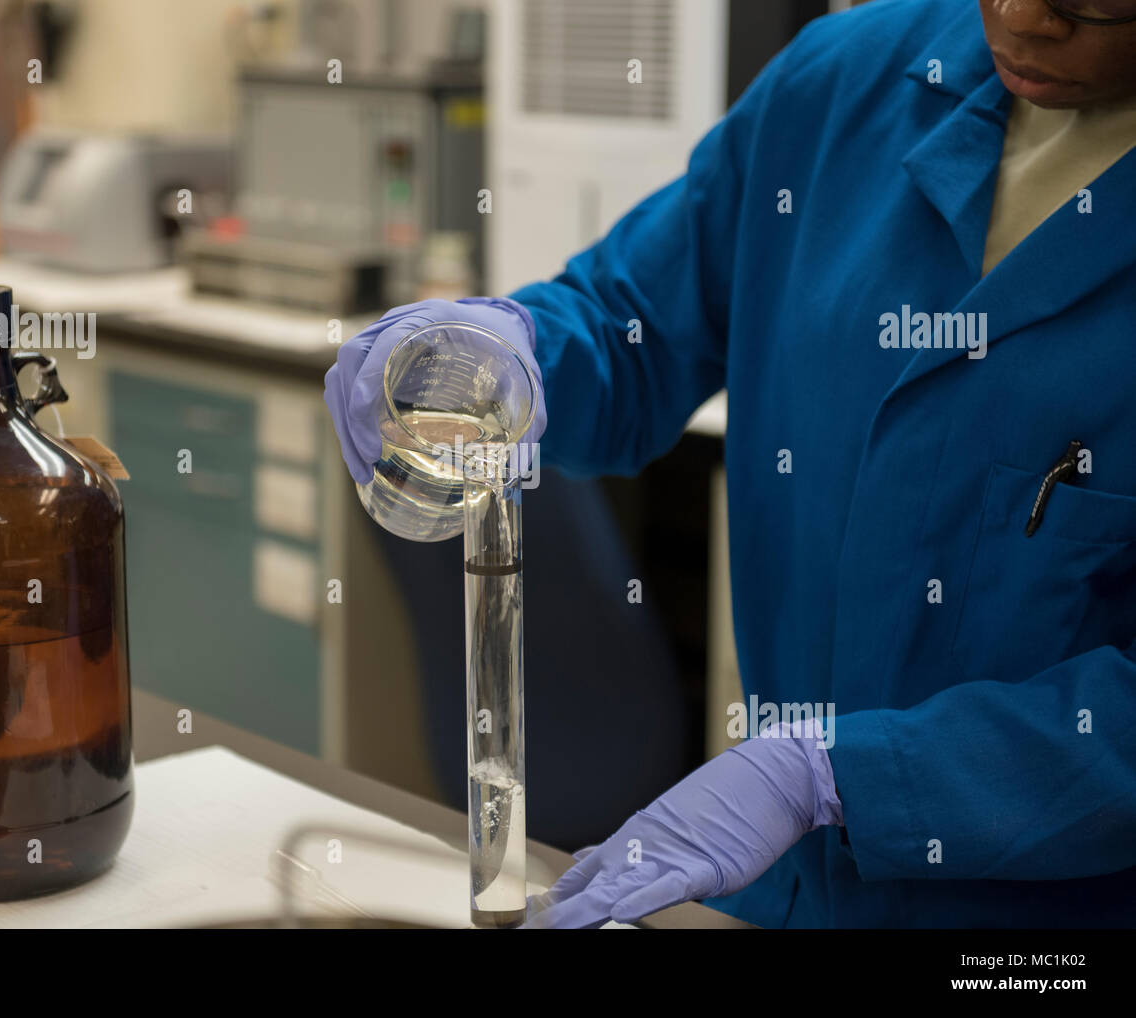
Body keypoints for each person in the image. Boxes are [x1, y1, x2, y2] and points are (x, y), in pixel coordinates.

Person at [324, 0, 1136, 928]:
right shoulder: (842, 85)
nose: (1025, 19)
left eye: (1089, 1)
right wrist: (511, 349)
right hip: (780, 891)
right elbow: (629, 326)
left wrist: (840, 776)